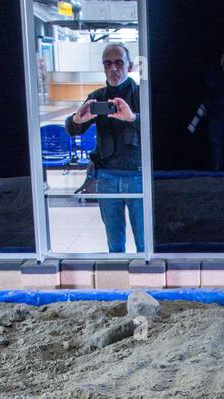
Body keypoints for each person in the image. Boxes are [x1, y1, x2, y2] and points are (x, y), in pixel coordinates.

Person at [65, 42, 143, 254]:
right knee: (115, 246)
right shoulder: (97, 97)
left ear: (130, 66)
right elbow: (73, 128)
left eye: (119, 63)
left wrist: (133, 118)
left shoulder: (141, 95)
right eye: (108, 64)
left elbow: (157, 128)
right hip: (106, 177)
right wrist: (77, 119)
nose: (113, 68)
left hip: (138, 176)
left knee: (145, 246)